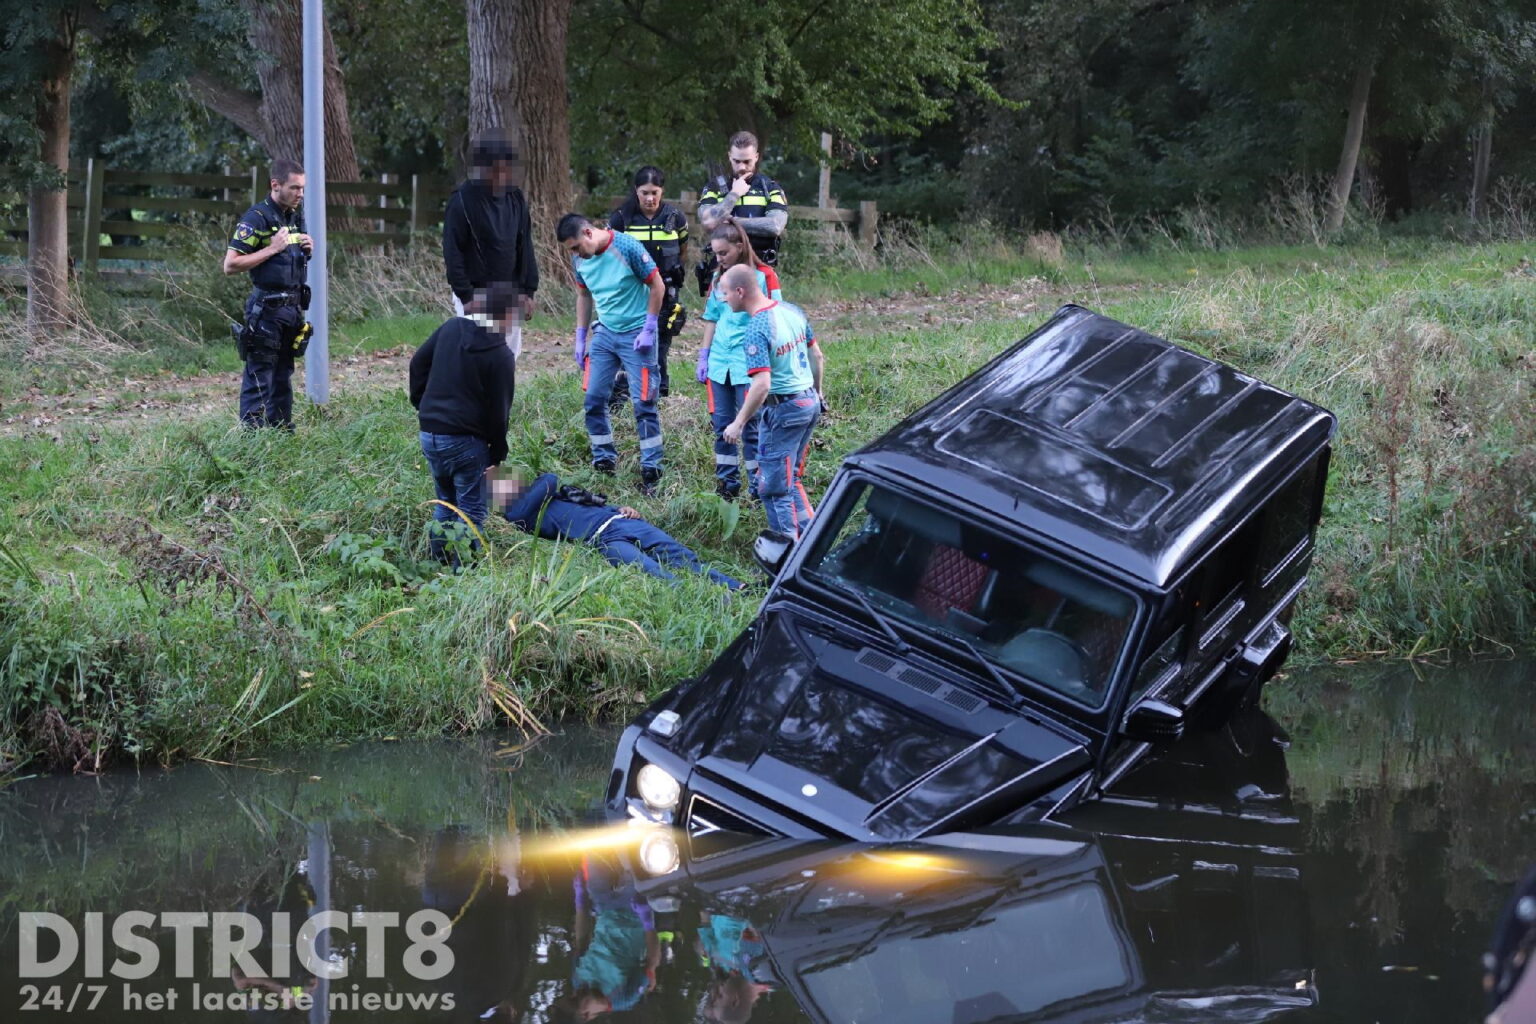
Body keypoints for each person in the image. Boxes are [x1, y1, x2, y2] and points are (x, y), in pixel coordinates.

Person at [408, 283, 520, 565]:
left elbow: (417, 363)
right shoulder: (500, 354)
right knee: (471, 511)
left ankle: (436, 563)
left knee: (445, 503)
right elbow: (499, 412)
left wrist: (422, 404)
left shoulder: (450, 328)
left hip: (430, 434)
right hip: (466, 443)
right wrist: (498, 455)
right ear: (505, 315)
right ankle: (465, 571)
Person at [558, 213, 667, 495]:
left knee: (643, 403)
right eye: (571, 250)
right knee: (594, 400)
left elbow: (658, 285)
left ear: (588, 232)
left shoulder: (627, 247)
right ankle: (604, 460)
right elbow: (584, 295)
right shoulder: (580, 259)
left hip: (636, 335)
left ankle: (652, 471)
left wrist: (649, 327)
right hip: (605, 334)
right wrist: (581, 337)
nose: (575, 253)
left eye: (576, 246)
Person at [492, 470, 742, 588]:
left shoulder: (550, 496)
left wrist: (620, 508)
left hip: (621, 521)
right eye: (502, 484)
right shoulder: (518, 513)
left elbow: (583, 500)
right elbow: (549, 477)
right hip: (603, 540)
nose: (511, 482)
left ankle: (736, 587)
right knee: (654, 572)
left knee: (681, 556)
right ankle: (704, 597)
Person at [719, 264, 825, 540]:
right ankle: (813, 543)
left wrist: (738, 423)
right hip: (808, 402)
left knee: (773, 488)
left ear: (740, 292)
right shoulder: (791, 310)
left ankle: (785, 559)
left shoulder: (756, 329)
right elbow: (818, 357)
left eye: (725, 293)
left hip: (784, 411)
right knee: (792, 480)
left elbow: (762, 384)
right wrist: (818, 393)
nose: (724, 299)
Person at [223, 158, 312, 430]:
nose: (300, 194)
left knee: (283, 376)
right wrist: (272, 249)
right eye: (294, 188)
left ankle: (281, 435)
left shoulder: (294, 216)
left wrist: (307, 247)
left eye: (303, 188)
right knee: (260, 377)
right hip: (267, 312)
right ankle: (252, 443)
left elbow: (289, 258)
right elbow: (230, 265)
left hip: (292, 309)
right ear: (275, 185)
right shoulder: (256, 218)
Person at [697, 220, 782, 501]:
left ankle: (758, 489)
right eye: (715, 254)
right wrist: (704, 355)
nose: (719, 259)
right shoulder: (718, 278)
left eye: (723, 253)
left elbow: (776, 318)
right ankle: (727, 486)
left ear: (739, 247)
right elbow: (712, 317)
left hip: (750, 364)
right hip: (720, 364)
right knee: (722, 426)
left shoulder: (765, 276)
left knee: (751, 428)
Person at [443, 130, 539, 358]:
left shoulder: (515, 198)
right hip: (475, 292)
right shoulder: (462, 202)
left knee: (507, 355)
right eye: (496, 169)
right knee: (477, 355)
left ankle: (501, 395)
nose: (502, 174)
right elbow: (452, 252)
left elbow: (524, 244)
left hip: (510, 291)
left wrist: (528, 290)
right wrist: (466, 297)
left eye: (506, 168)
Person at [609, 166, 689, 398]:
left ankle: (658, 395)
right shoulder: (622, 219)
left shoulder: (676, 218)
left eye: (654, 192)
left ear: (662, 191)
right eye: (645, 192)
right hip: (632, 295)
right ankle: (622, 396)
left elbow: (683, 251)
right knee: (628, 346)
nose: (650, 198)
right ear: (636, 191)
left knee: (661, 346)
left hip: (666, 293)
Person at [697, 131, 789, 276]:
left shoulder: (770, 188)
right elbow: (708, 222)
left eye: (747, 162)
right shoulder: (714, 187)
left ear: (756, 157)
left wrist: (732, 222)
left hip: (759, 267)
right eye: (736, 161)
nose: (741, 167)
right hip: (723, 269)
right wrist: (734, 194)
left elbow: (775, 226)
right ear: (729, 156)